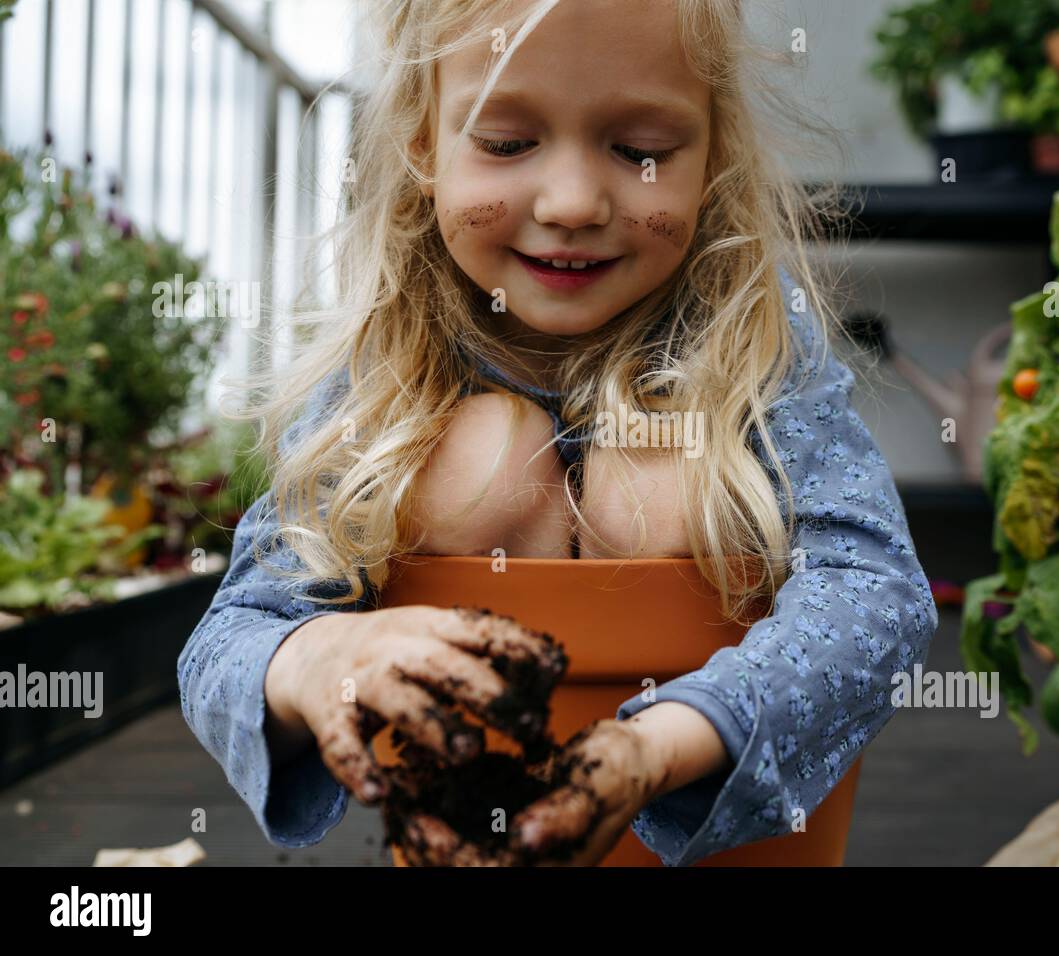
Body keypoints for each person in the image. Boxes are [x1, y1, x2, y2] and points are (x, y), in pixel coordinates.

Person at [178, 0, 938, 867]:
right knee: (479, 457)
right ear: (423, 144)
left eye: (642, 151)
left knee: (660, 473)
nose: (574, 203)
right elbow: (228, 637)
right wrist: (321, 654)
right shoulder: (383, 364)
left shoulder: (759, 341)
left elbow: (875, 590)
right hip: (476, 834)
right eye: (506, 144)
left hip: (736, 841)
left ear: (713, 157)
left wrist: (663, 741)